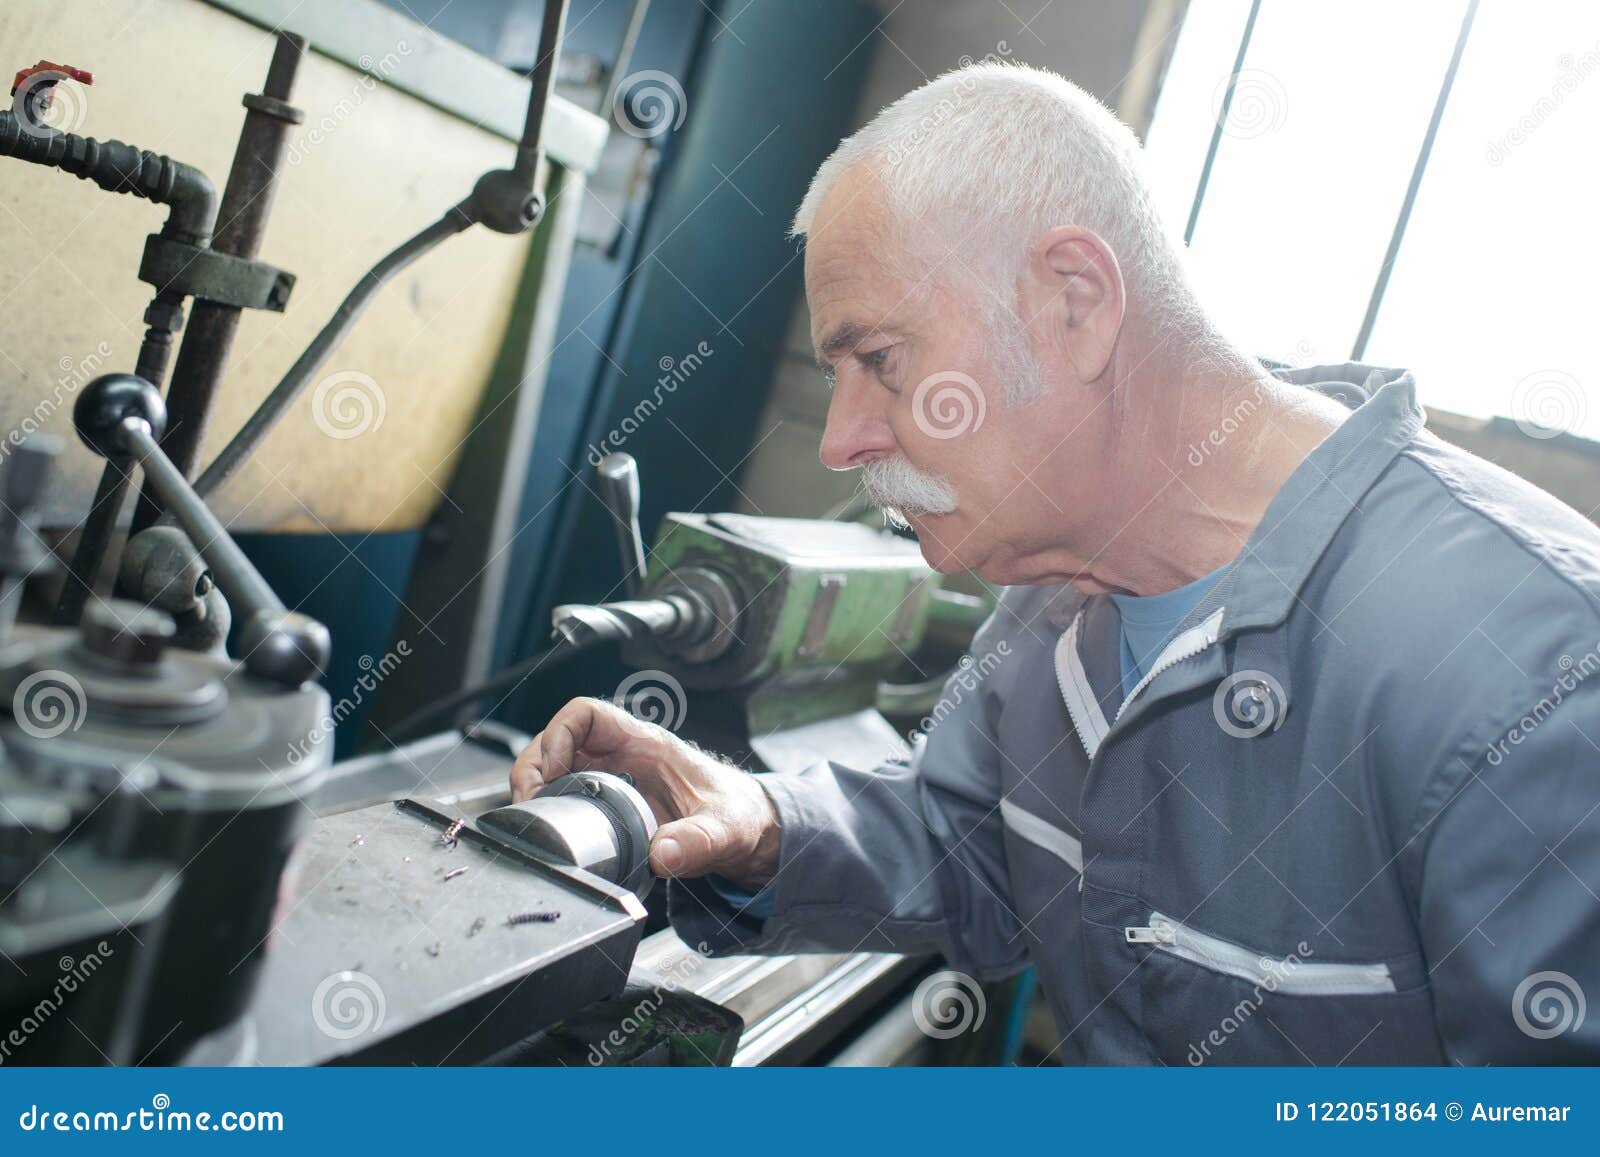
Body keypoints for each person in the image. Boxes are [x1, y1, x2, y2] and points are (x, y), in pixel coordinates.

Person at [511, 64, 1599, 1064]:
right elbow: (971, 841)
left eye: (881, 360)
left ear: (1071, 301)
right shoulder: (1052, 596)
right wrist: (754, 821)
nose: (841, 439)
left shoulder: (1535, 673)